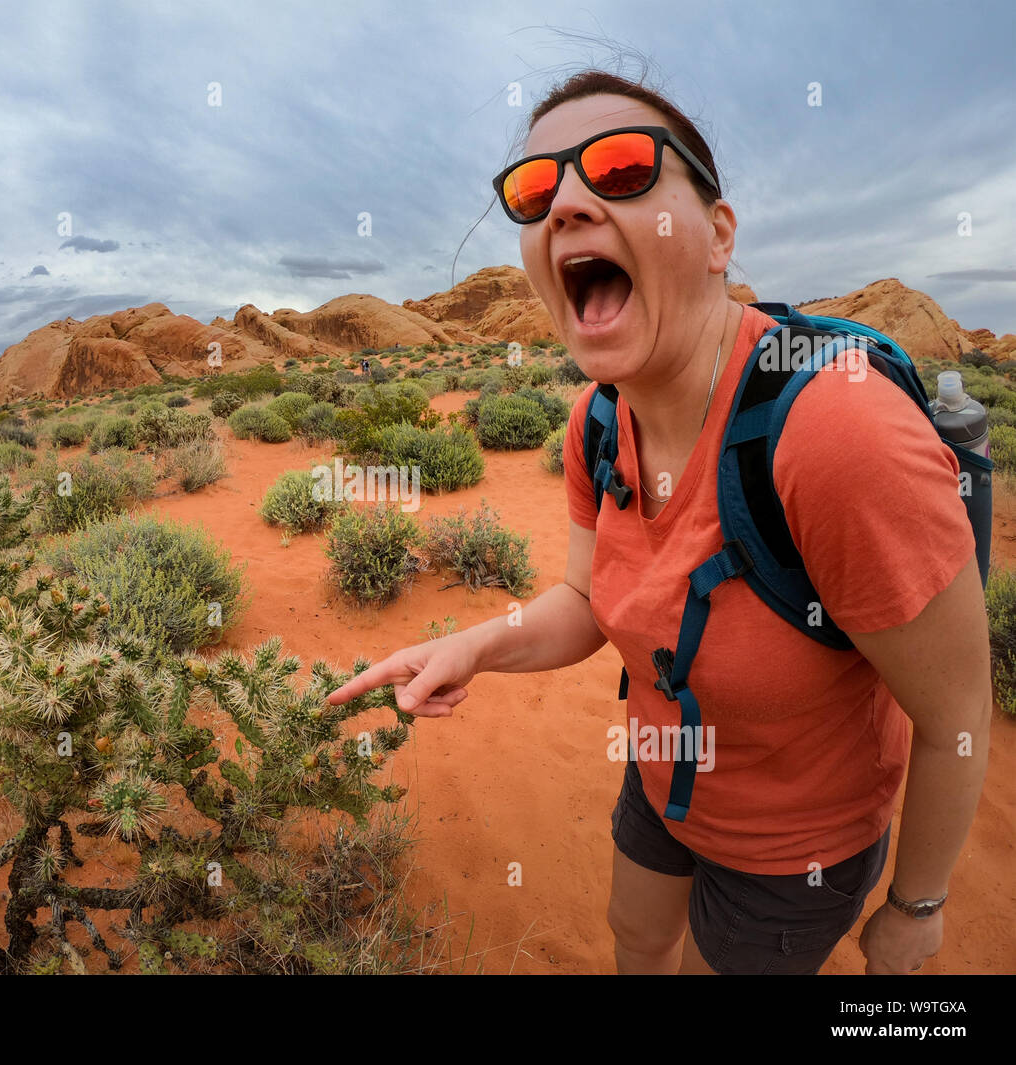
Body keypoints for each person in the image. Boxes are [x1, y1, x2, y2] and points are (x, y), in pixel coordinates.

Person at [327, 69, 991, 975]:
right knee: (637, 938)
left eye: (622, 169)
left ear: (718, 235)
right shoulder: (598, 420)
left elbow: (955, 712)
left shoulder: (837, 434)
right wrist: (473, 646)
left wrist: (917, 908)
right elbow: (585, 598)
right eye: (534, 189)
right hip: (662, 776)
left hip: (793, 848)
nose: (565, 202)